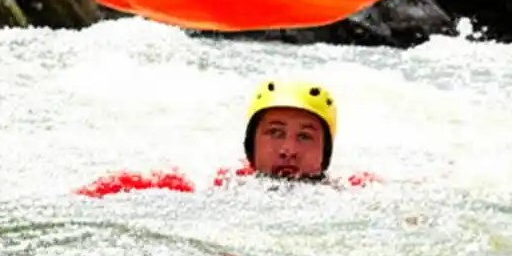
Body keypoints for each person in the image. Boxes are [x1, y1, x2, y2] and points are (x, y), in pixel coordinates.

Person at [77, 76, 377, 197]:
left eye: (305, 137)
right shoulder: (226, 184)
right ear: (251, 144)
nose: (288, 149)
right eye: (275, 133)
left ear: (326, 152)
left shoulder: (348, 192)